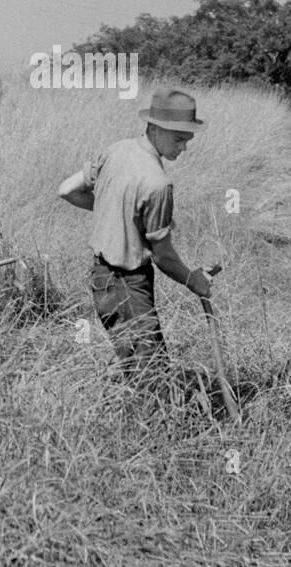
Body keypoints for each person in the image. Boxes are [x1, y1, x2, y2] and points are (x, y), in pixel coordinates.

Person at [58, 87, 225, 412]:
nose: (185, 146)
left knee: (134, 369)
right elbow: (163, 257)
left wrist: (117, 213)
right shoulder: (157, 183)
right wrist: (195, 281)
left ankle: (132, 432)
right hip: (128, 285)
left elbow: (66, 190)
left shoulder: (116, 151)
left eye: (188, 138)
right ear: (157, 129)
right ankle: (150, 449)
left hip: (100, 280)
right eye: (179, 138)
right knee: (153, 381)